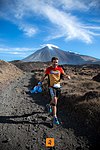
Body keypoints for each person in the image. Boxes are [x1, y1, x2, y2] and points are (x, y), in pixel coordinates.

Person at [39, 57, 70, 125]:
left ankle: (48, 105)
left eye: (56, 62)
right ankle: (55, 117)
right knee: (55, 101)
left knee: (54, 101)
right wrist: (40, 83)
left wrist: (67, 76)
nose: (55, 63)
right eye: (54, 62)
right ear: (51, 62)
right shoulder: (49, 69)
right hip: (51, 87)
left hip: (58, 87)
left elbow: (63, 75)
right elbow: (44, 76)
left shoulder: (60, 69)